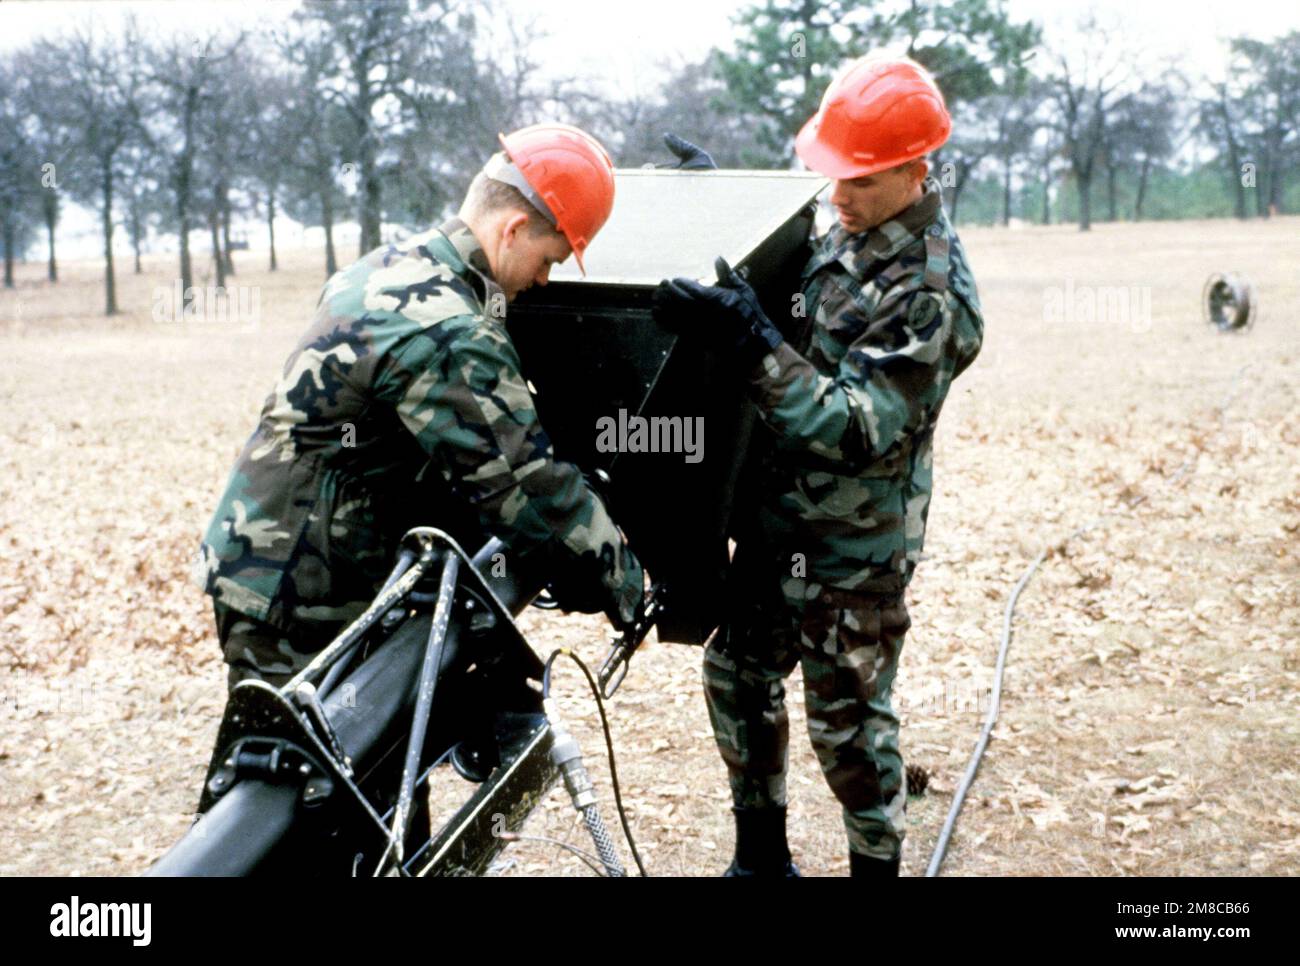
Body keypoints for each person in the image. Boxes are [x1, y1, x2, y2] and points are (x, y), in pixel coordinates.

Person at [654, 56, 984, 877]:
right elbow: (786, 256)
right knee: (737, 675)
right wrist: (716, 205)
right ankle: (759, 860)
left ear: (917, 170)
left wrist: (754, 345)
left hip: (853, 547)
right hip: (776, 522)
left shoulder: (929, 290)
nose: (837, 195)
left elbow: (857, 426)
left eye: (860, 181)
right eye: (830, 173)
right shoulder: (849, 221)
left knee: (850, 732)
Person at [192, 122, 645, 698]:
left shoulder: (389, 265)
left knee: (348, 775)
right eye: (549, 258)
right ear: (514, 228)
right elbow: (528, 488)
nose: (543, 279)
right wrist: (625, 584)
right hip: (302, 586)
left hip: (285, 562)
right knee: (300, 780)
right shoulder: (450, 327)